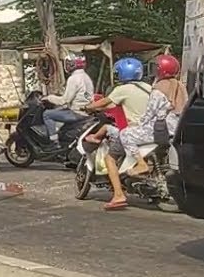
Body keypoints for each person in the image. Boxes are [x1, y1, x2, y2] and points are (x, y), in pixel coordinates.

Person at [83, 56, 153, 211]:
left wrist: (89, 107)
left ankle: (119, 195)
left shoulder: (122, 89)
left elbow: (104, 102)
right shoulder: (148, 87)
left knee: (110, 158)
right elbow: (112, 105)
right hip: (154, 131)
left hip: (135, 132)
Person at [41, 54, 94, 141]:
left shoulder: (73, 79)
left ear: (71, 65)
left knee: (47, 114)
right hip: (86, 112)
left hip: (76, 113)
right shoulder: (86, 77)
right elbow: (87, 95)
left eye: (68, 63)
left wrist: (49, 98)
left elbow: (64, 100)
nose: (67, 66)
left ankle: (53, 141)